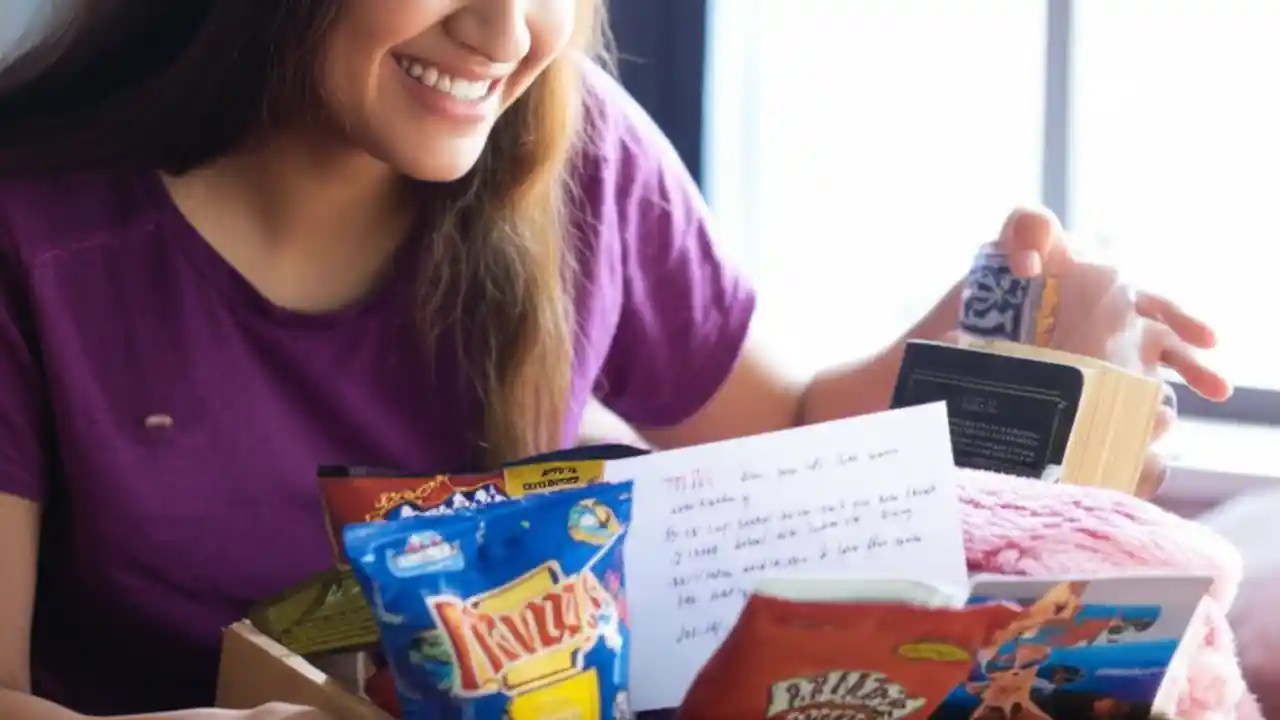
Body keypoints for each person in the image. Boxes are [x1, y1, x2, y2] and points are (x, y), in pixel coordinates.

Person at [0, 1, 1230, 718]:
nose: (505, 33)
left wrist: (991, 347)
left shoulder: (575, 156)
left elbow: (787, 425)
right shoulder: (33, 233)